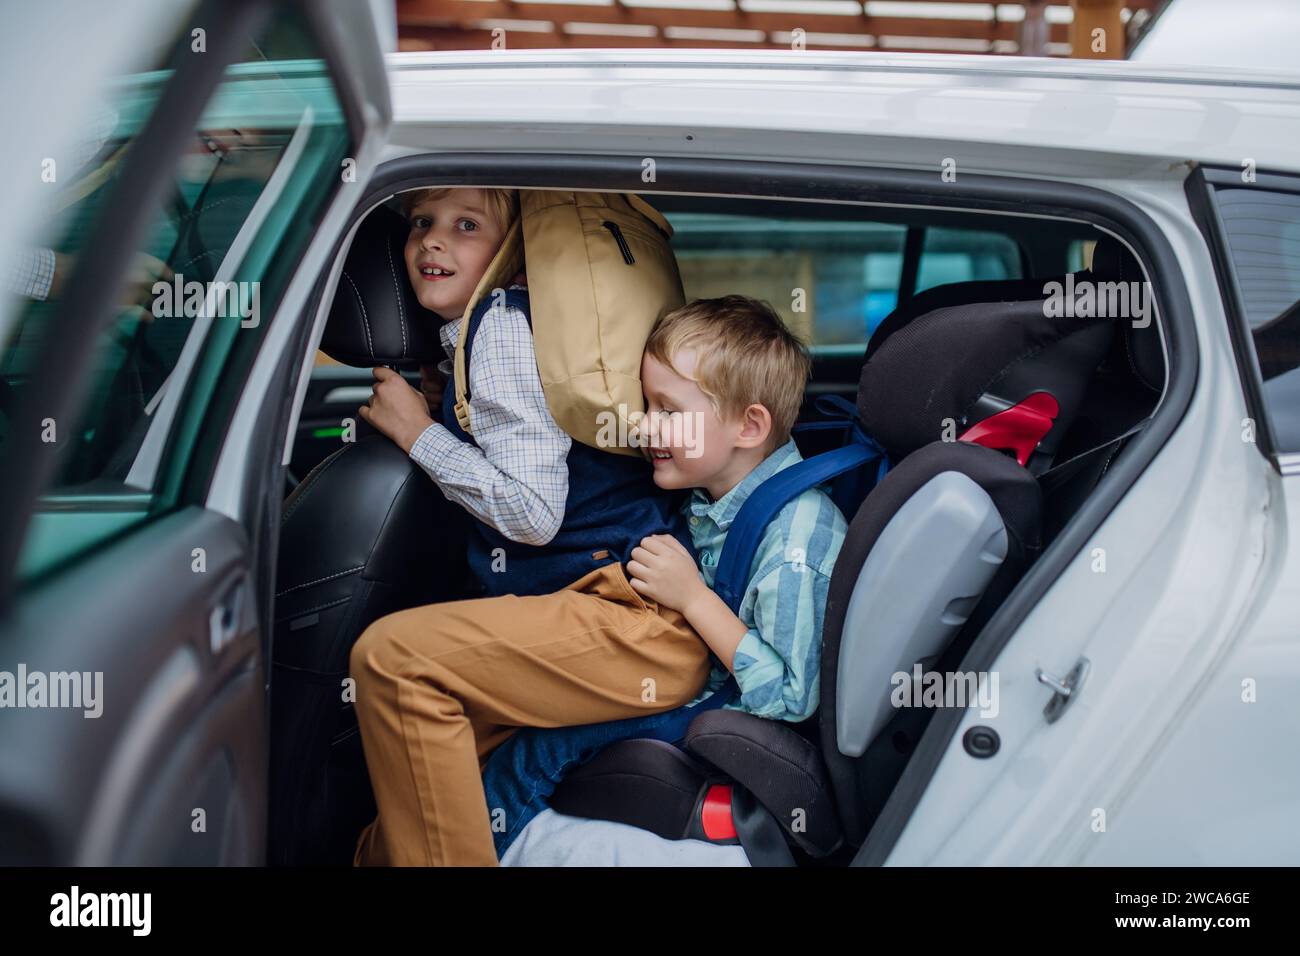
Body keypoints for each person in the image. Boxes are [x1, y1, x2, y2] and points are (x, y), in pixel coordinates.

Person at [349, 186, 712, 866]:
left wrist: (416, 431)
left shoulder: (505, 327)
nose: (433, 240)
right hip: (606, 615)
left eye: (465, 225)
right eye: (422, 222)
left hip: (632, 622)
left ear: (511, 248)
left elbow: (532, 513)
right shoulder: (484, 335)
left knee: (393, 662)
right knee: (387, 842)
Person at [481, 294, 850, 859]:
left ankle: (477, 848)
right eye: (643, 403)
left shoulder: (795, 537)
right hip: (688, 674)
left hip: (731, 711)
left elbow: (792, 697)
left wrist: (695, 599)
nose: (641, 424)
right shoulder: (714, 491)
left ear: (749, 426)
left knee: (538, 750)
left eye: (667, 411)